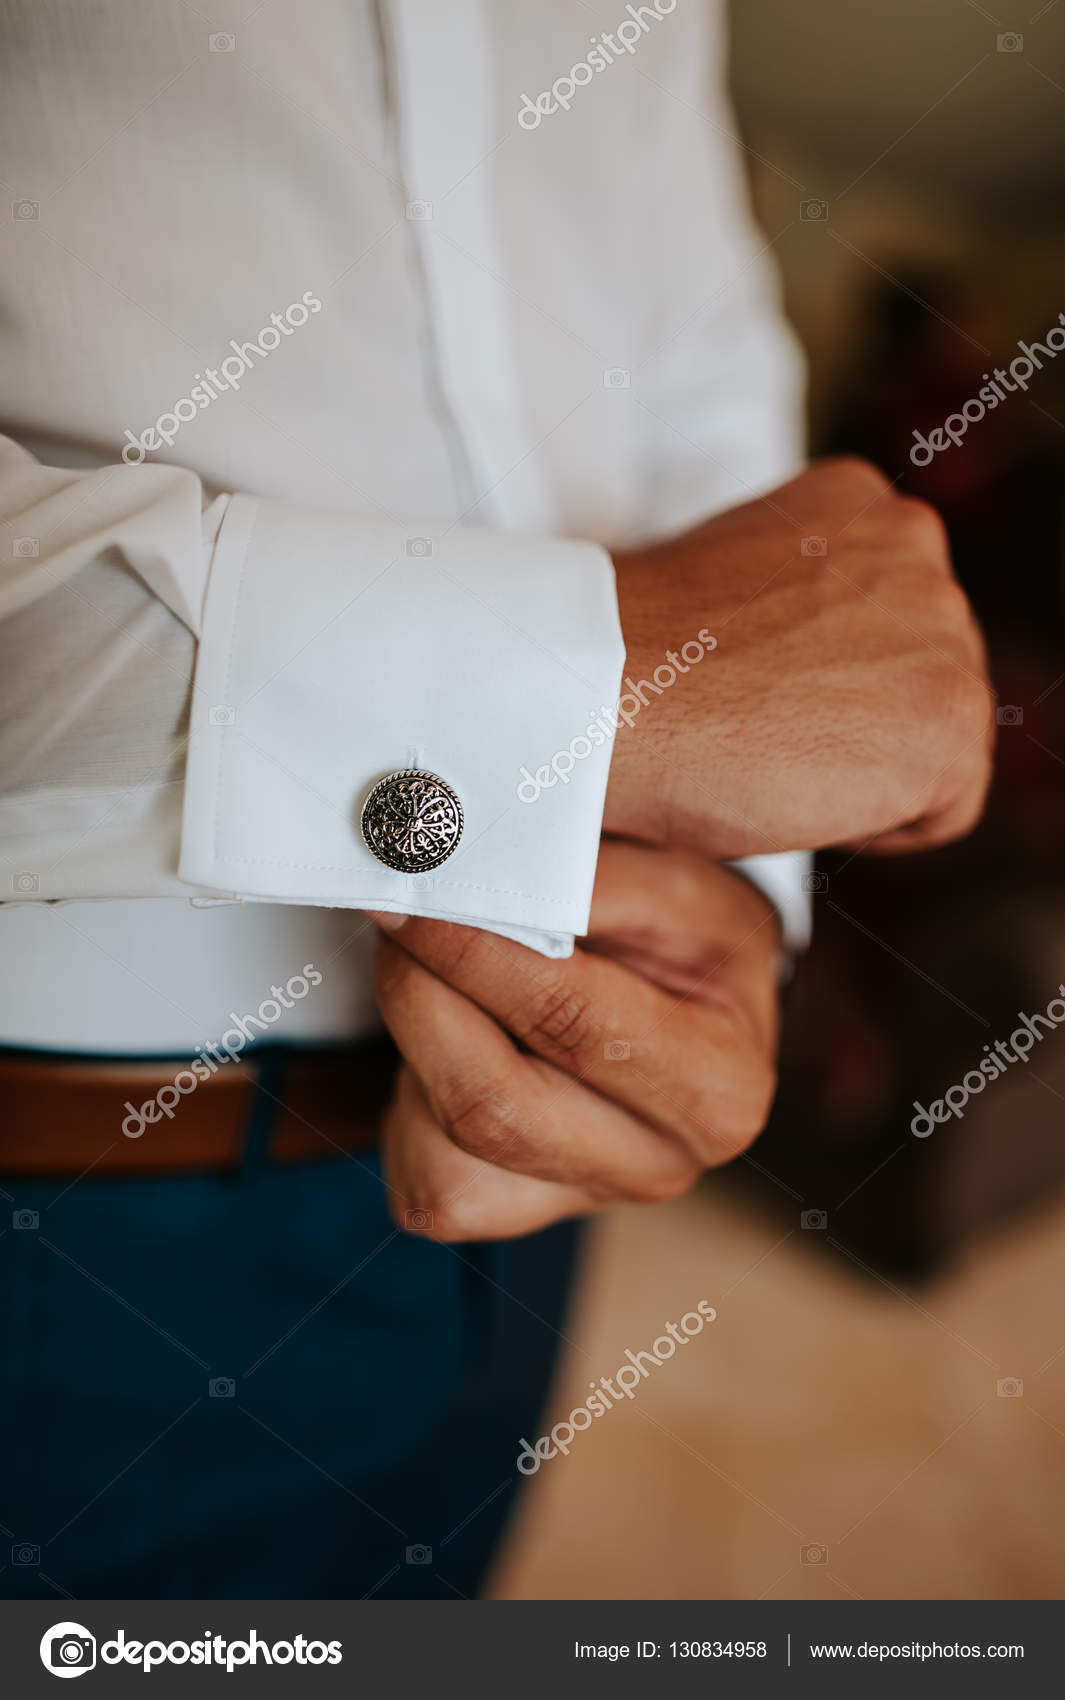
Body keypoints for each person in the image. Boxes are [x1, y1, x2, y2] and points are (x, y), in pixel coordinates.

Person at [0, 1, 991, 1599]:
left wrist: (736, 901)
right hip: (63, 1218)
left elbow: (690, 354)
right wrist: (613, 684)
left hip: (553, 1154)